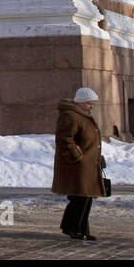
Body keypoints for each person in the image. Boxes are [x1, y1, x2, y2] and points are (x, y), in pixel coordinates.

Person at [53, 86, 105, 241]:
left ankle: (81, 229)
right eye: (89, 103)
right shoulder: (70, 115)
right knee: (78, 198)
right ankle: (72, 229)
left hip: (88, 164)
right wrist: (77, 157)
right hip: (77, 166)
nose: (91, 107)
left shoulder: (82, 115)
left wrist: (97, 158)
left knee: (86, 197)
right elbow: (64, 139)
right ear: (81, 102)